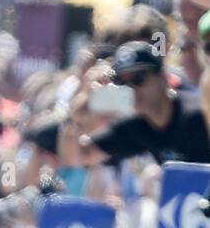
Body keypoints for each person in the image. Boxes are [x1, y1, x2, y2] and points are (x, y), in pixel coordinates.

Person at [67, 40, 210, 168]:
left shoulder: (200, 114)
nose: (132, 89)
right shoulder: (138, 124)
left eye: (138, 79)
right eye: (122, 83)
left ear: (163, 76)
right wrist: (75, 118)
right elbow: (78, 156)